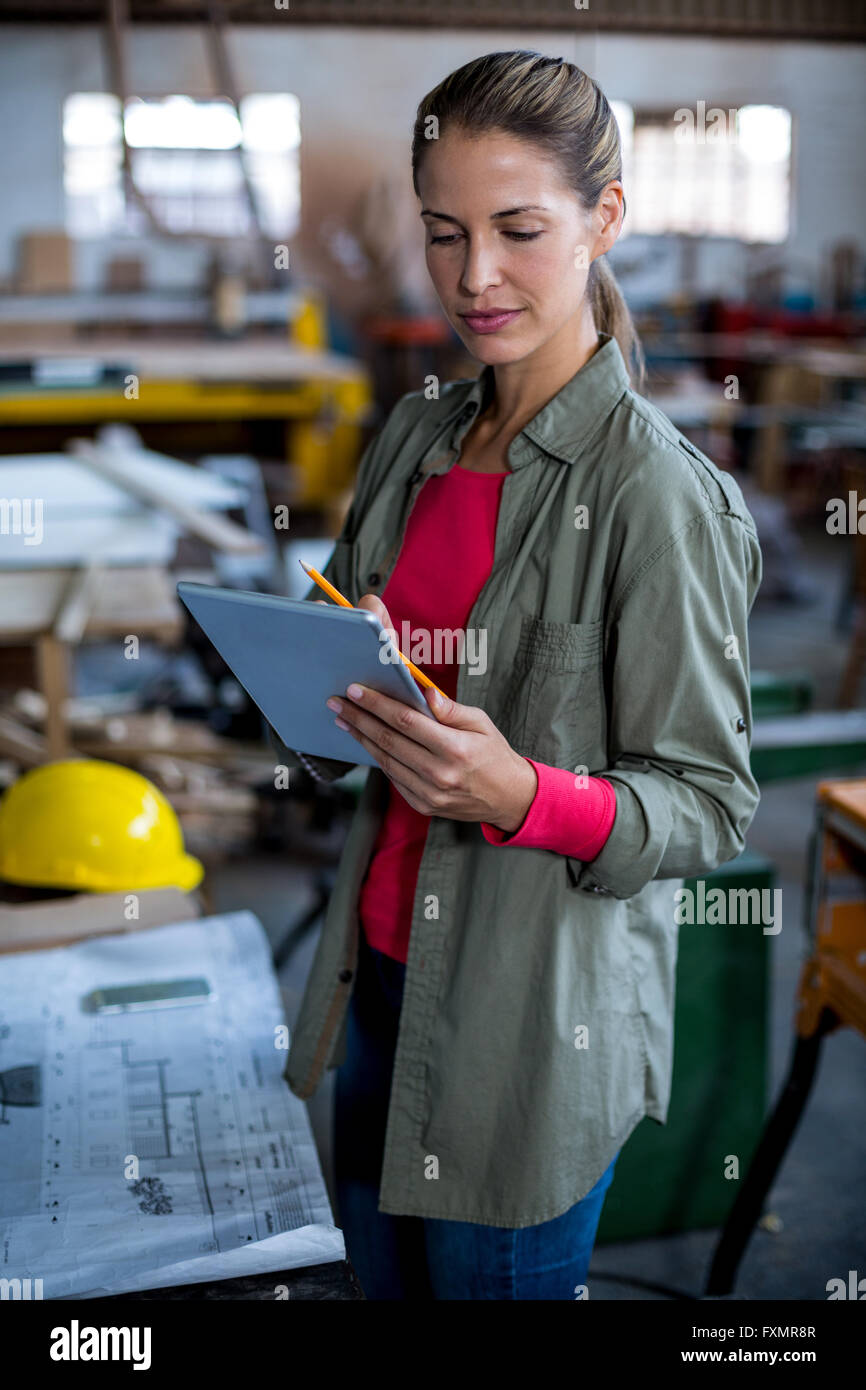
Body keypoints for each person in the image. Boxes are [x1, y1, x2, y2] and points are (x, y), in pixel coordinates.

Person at [276, 49, 762, 1299]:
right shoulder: (414, 435)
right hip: (371, 983)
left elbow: (705, 803)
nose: (473, 277)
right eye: (443, 234)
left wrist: (518, 794)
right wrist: (325, 675)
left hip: (524, 1035)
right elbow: (337, 674)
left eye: (516, 229)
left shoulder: (657, 497)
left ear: (604, 219)